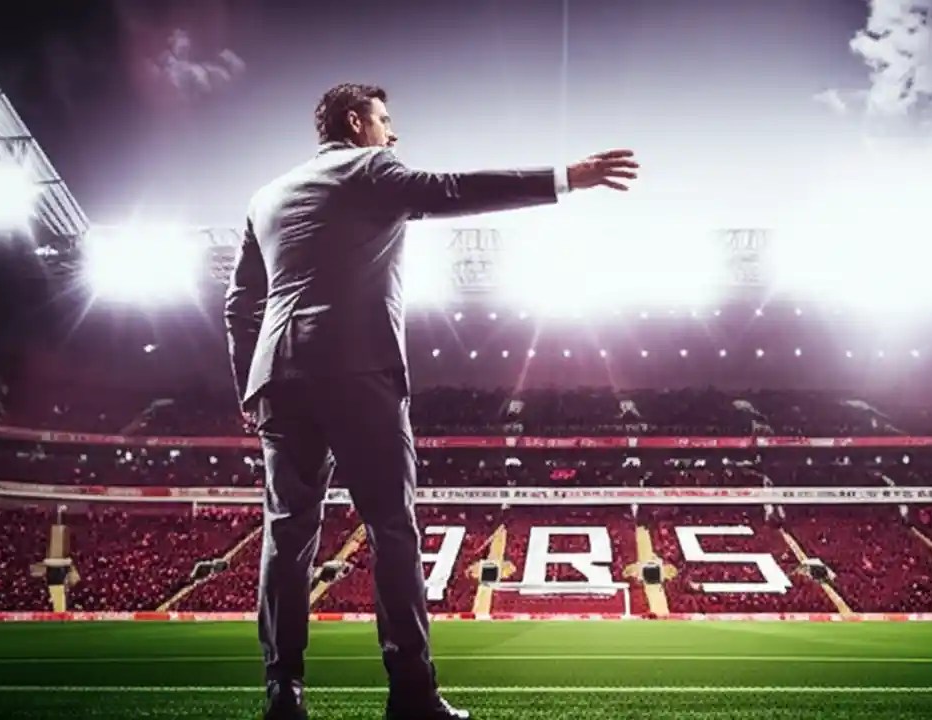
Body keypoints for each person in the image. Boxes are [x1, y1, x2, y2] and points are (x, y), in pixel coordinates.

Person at [224, 82, 638, 720]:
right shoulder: (371, 167)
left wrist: (249, 385)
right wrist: (565, 178)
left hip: (277, 375)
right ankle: (412, 694)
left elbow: (239, 304)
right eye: (386, 121)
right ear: (357, 122)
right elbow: (451, 190)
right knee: (392, 529)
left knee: (286, 535)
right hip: (357, 369)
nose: (394, 134)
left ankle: (284, 692)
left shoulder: (265, 195)